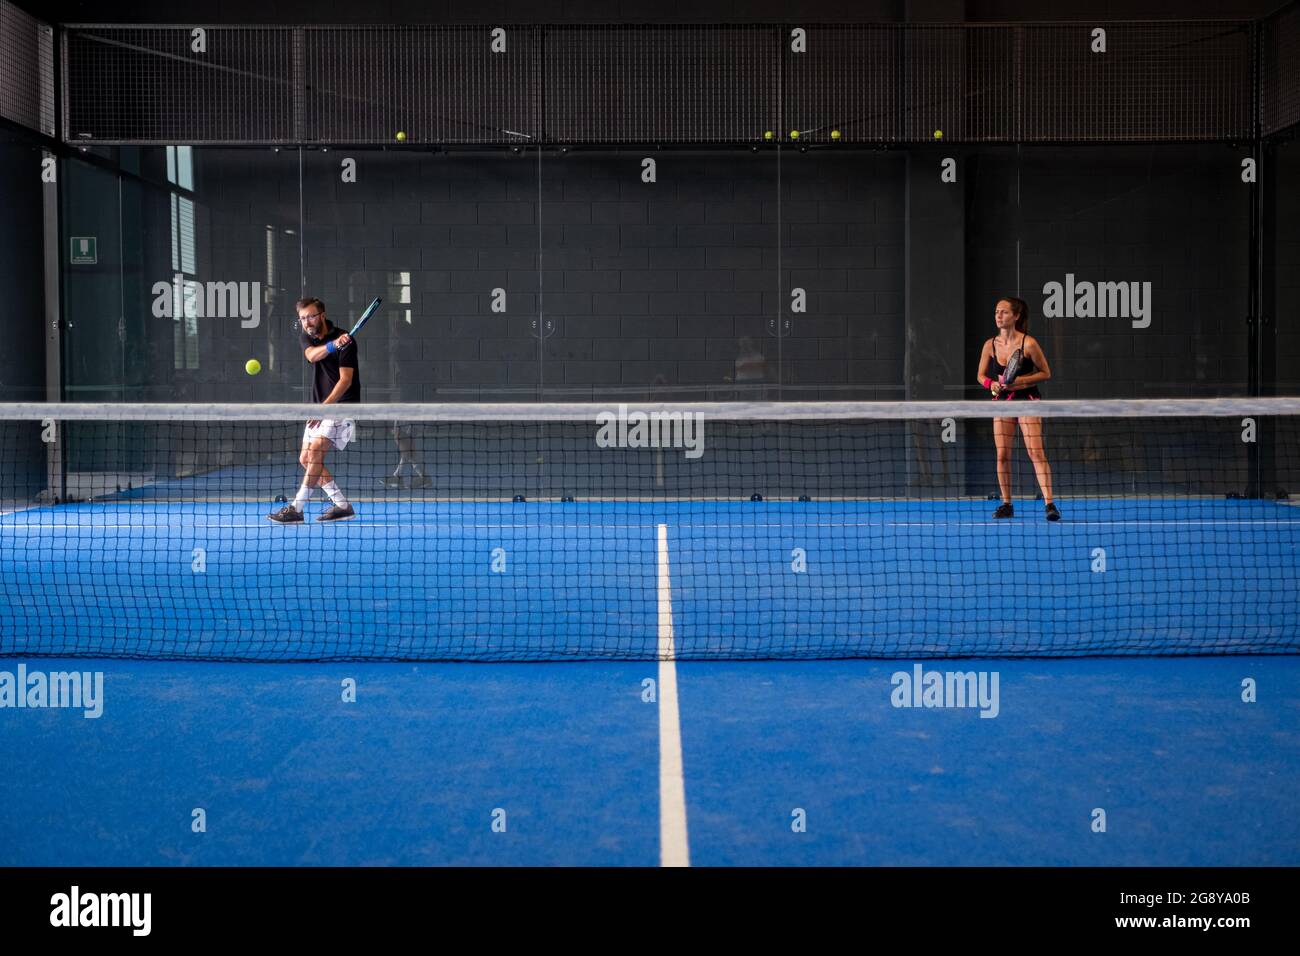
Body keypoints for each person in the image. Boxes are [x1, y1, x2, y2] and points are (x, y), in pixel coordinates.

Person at [267, 297, 360, 523]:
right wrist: (332, 345)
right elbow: (311, 355)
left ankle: (296, 508)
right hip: (319, 406)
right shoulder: (306, 337)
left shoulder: (347, 340)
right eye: (302, 318)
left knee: (316, 451)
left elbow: (346, 380)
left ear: (322, 314)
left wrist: (324, 409)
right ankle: (342, 505)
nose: (307, 322)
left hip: (340, 406)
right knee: (305, 458)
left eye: (310, 316)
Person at [975, 296, 1060, 521]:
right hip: (1002, 402)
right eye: (996, 312)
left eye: (1003, 312)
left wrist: (1020, 381)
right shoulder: (989, 345)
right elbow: (980, 375)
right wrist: (991, 384)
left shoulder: (1028, 344)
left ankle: (1050, 504)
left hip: (1027, 400)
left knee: (1035, 452)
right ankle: (1006, 504)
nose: (998, 316)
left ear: (1016, 316)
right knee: (1002, 455)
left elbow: (1045, 372)